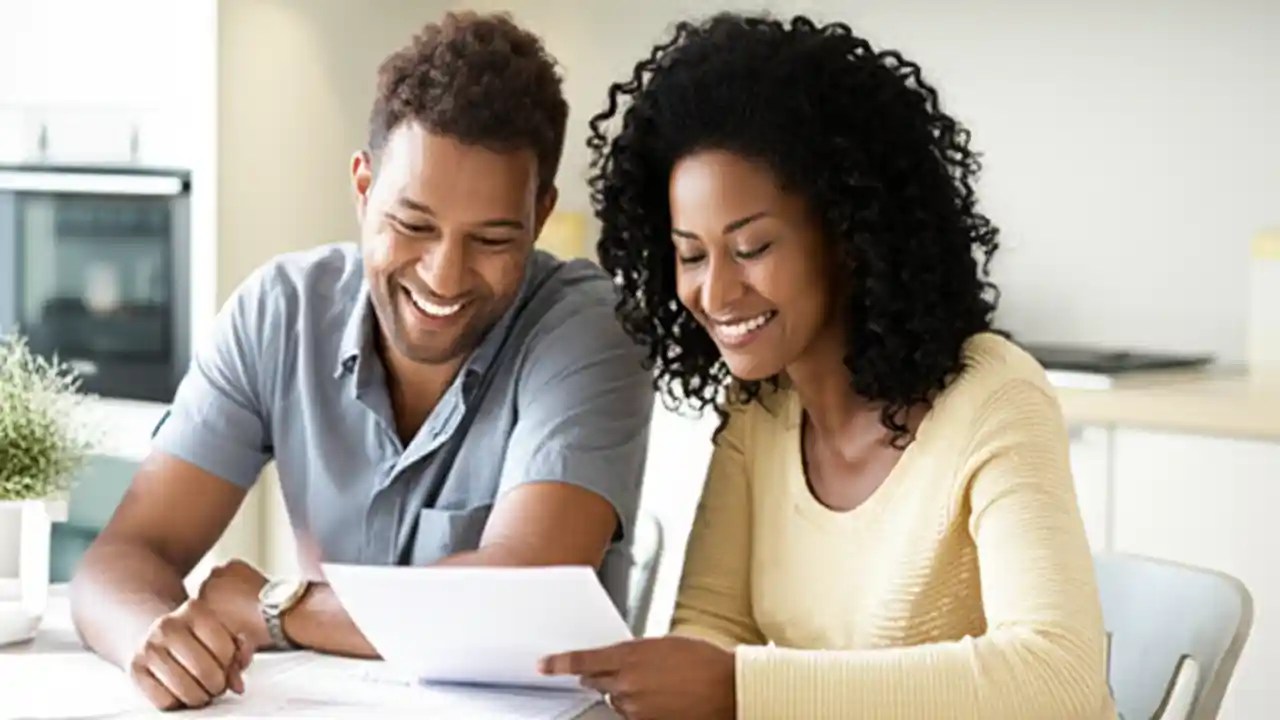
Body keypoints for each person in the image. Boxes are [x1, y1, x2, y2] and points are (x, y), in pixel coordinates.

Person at [70, 11, 653, 712]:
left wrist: (278, 606)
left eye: (493, 239)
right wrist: (152, 639)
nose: (444, 275)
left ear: (541, 212)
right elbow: (124, 557)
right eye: (413, 225)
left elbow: (516, 605)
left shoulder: (586, 332)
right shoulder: (280, 314)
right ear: (362, 186)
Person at [540, 12, 1116, 720]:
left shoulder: (993, 397)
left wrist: (742, 690)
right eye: (691, 255)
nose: (715, 293)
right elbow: (714, 631)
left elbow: (1056, 681)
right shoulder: (762, 409)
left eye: (751, 248)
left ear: (847, 233)